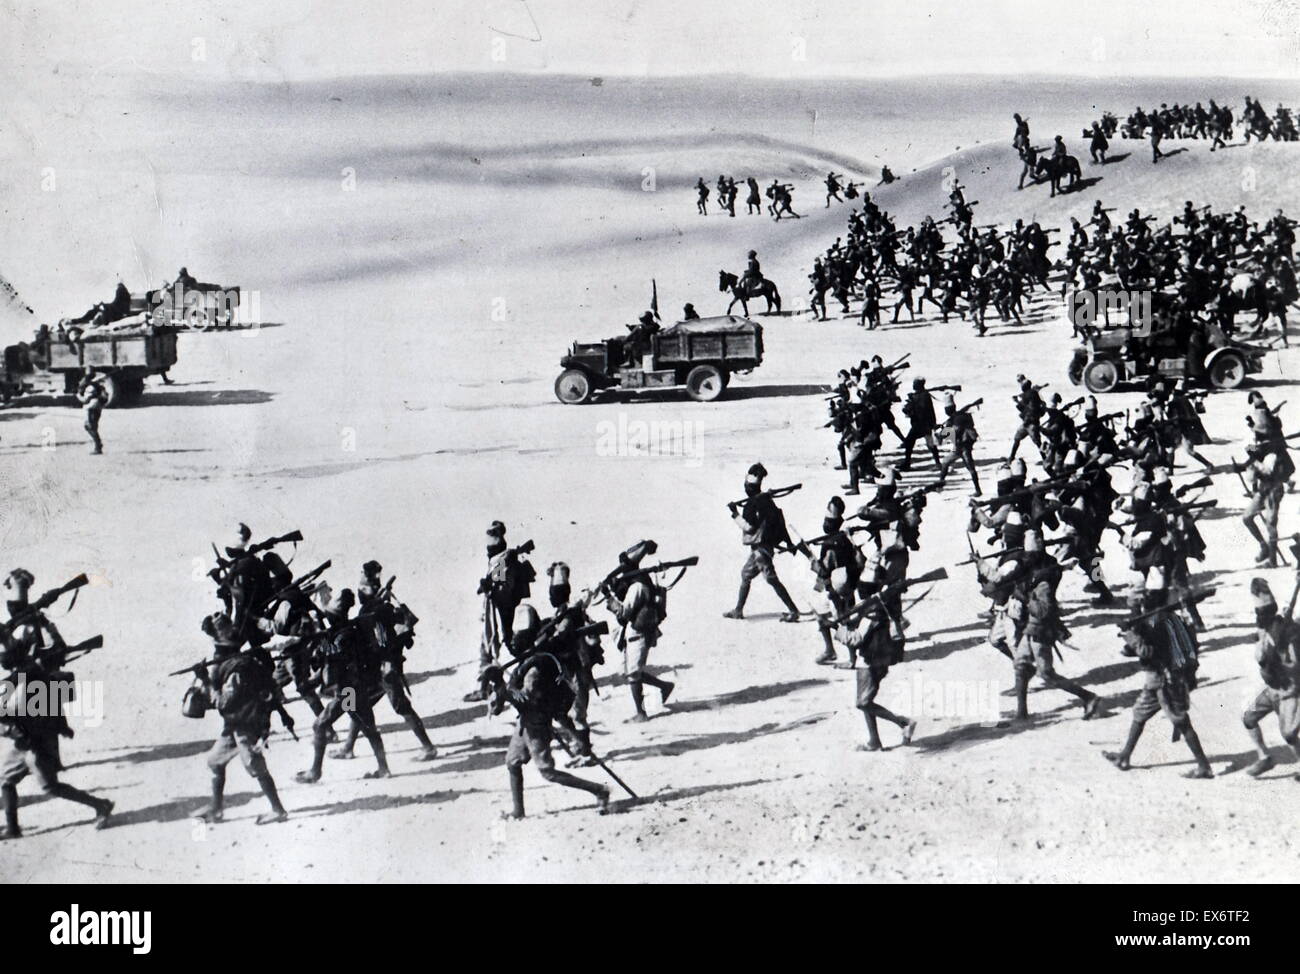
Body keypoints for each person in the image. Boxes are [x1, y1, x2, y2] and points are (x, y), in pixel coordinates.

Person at [0, 569, 114, 838]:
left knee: (49, 787)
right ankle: (13, 827)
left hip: (35, 722)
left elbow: (55, 655)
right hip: (29, 717)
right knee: (5, 779)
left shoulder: (36, 635)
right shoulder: (20, 643)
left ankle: (101, 805)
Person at [193, 612, 289, 825]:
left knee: (255, 766)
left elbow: (223, 702)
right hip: (235, 723)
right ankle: (217, 809)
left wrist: (207, 682)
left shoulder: (235, 668)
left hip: (246, 723)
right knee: (215, 762)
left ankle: (278, 810)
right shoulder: (237, 660)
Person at [1105, 597, 1213, 778]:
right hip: (1161, 680)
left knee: (1181, 721)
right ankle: (1125, 756)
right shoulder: (1173, 620)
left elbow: (1147, 651)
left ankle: (1204, 766)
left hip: (1165, 681)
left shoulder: (1157, 626)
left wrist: (1131, 638)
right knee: (1140, 713)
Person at [604, 541, 675, 722]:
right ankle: (664, 686)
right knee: (633, 671)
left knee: (633, 674)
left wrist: (609, 598)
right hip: (640, 630)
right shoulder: (641, 581)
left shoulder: (637, 587)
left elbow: (624, 612)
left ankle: (640, 713)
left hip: (638, 632)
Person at [724, 463, 802, 622]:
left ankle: (793, 611)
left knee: (771, 579)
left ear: (749, 487)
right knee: (746, 574)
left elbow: (749, 528)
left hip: (760, 549)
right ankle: (738, 610)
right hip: (764, 547)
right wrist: (788, 542)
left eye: (746, 485)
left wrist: (734, 514)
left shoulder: (752, 505)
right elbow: (780, 521)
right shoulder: (766, 500)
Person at [1242, 579, 1300, 778]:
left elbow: (1294, 663)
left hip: (1288, 689)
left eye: (1262, 612)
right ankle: (1264, 757)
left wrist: (1280, 661)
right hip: (1271, 688)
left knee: (1289, 734)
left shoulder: (1286, 632)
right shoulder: (1265, 630)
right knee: (1249, 718)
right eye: (1257, 613)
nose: (1259, 617)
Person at [77, 370, 107, 455]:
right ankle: (98, 446)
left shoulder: (90, 387)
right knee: (93, 426)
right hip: (98, 407)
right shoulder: (98, 385)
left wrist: (78, 396)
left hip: (91, 407)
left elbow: (86, 400)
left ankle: (98, 446)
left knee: (89, 426)